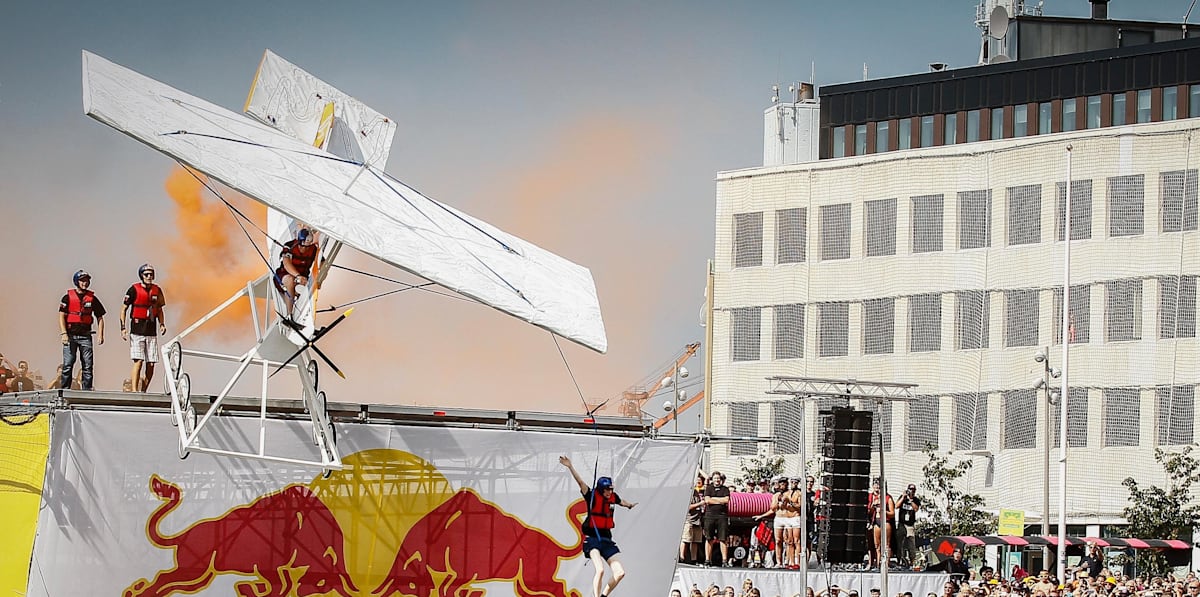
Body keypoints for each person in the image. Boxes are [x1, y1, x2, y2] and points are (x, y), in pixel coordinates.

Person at [560, 455, 637, 597]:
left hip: (606, 540)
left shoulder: (613, 497)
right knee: (600, 570)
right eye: (607, 490)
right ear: (601, 489)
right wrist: (570, 466)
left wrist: (629, 505)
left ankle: (604, 596)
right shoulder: (591, 495)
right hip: (593, 540)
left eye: (611, 489)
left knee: (620, 573)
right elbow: (580, 482)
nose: (609, 492)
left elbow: (622, 502)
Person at [121, 263, 167, 392]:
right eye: (146, 274)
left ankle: (144, 389)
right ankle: (135, 390)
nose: (149, 277)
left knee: (151, 363)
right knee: (138, 361)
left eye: (151, 274)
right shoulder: (133, 290)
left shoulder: (157, 290)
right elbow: (124, 309)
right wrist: (123, 328)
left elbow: (160, 309)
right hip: (137, 330)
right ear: (141, 275)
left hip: (151, 330)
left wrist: (162, 324)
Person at [59, 270, 105, 391]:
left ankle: (87, 390)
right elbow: (61, 316)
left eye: (87, 280)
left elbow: (100, 316)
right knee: (68, 364)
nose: (85, 283)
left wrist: (100, 334)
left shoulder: (92, 298)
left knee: (87, 365)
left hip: (86, 336)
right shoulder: (67, 297)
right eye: (82, 280)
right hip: (70, 336)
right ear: (76, 281)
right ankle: (64, 389)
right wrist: (64, 333)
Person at [275, 227, 320, 315]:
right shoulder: (290, 246)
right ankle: (289, 314)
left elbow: (321, 261)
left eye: (308, 246)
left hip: (302, 279)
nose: (305, 249)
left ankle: (304, 312)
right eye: (303, 247)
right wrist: (297, 275)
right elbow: (286, 263)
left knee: (305, 286)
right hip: (283, 276)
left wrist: (319, 279)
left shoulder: (313, 249)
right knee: (290, 280)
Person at [702, 471, 732, 566]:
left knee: (723, 539)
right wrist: (719, 501)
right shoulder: (709, 488)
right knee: (709, 538)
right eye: (715, 478)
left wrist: (713, 499)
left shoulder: (725, 489)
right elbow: (707, 500)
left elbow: (726, 500)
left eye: (718, 478)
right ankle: (707, 560)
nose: (717, 480)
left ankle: (724, 560)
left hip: (722, 516)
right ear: (712, 479)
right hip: (710, 515)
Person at [866, 480, 895, 569]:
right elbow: (867, 511)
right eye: (875, 485)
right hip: (875, 522)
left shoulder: (887, 497)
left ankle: (886, 564)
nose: (877, 487)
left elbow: (892, 513)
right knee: (876, 546)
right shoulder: (870, 497)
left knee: (886, 545)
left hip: (885, 521)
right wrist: (872, 506)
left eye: (879, 485)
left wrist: (883, 511)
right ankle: (877, 564)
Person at [896, 483, 922, 568]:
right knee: (900, 543)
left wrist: (911, 500)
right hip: (902, 524)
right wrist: (904, 497)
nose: (912, 491)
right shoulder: (902, 497)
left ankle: (912, 561)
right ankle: (900, 560)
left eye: (913, 490)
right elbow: (896, 506)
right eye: (910, 489)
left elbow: (916, 509)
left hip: (910, 525)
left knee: (911, 544)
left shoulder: (916, 500)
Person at [682, 474, 705, 564]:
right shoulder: (687, 493)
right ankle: (682, 558)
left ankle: (693, 559)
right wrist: (699, 504)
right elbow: (687, 507)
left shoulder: (697, 492)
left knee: (696, 540)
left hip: (697, 520)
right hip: (689, 520)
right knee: (686, 539)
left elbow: (707, 478)